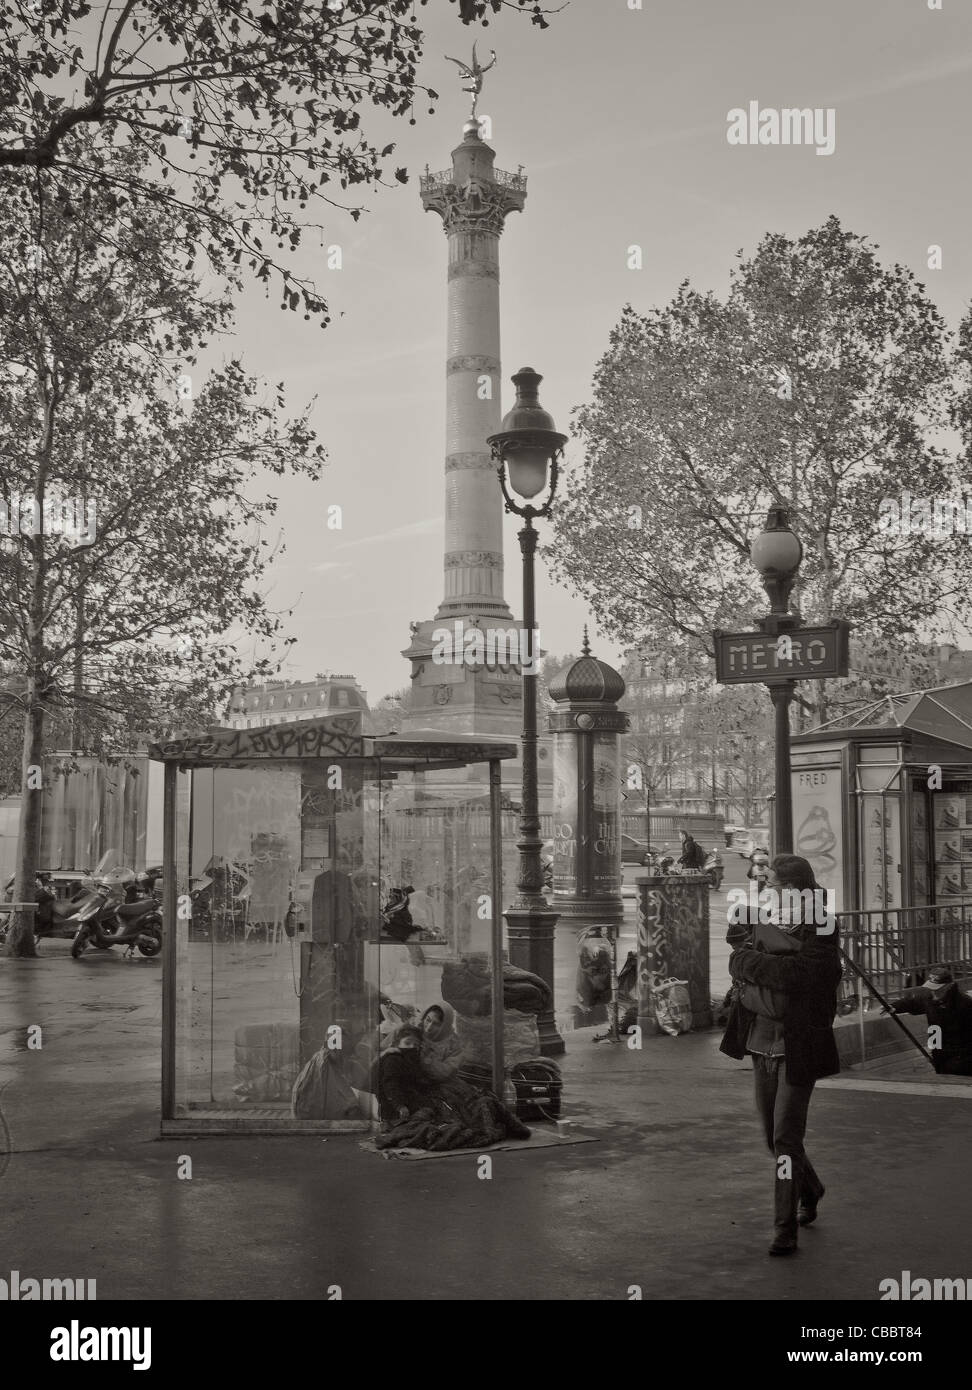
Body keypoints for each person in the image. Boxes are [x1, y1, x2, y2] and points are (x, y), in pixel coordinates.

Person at [720, 853, 842, 1257]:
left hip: (798, 1043)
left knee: (786, 1137)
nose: (764, 886)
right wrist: (759, 962)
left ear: (793, 887)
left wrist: (754, 963)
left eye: (770, 882)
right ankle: (812, 1188)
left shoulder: (822, 923)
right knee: (772, 1139)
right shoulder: (763, 916)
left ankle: (784, 1227)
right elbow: (736, 958)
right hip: (759, 1040)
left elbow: (800, 976)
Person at [888, 967, 972, 1075]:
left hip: (960, 1055)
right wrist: (894, 1007)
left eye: (937, 989)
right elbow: (913, 1003)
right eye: (931, 989)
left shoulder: (965, 1004)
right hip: (938, 1051)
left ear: (949, 986)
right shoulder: (929, 998)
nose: (934, 992)